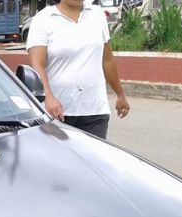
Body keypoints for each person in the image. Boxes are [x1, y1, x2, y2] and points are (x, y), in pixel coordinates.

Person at [26, 0, 129, 140]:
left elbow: (107, 60)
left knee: (93, 159)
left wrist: (120, 94)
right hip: (58, 112)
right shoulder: (43, 19)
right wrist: (48, 97)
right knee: (61, 160)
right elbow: (37, 63)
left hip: (95, 111)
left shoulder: (97, 15)